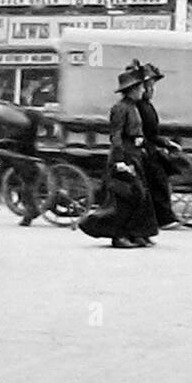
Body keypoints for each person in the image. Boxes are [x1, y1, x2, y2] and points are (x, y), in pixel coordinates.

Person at [79, 71, 159, 249]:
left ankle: (136, 233)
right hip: (123, 156)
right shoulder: (120, 108)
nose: (143, 90)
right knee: (123, 200)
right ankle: (119, 236)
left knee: (140, 196)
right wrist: (119, 161)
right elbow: (116, 136)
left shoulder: (133, 107)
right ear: (131, 90)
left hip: (134, 156)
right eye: (139, 87)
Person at [132, 62, 180, 228]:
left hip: (149, 147)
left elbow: (152, 132)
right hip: (140, 149)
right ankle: (162, 218)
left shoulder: (146, 105)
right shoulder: (134, 107)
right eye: (149, 85)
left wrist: (165, 142)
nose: (152, 89)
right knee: (156, 179)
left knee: (160, 178)